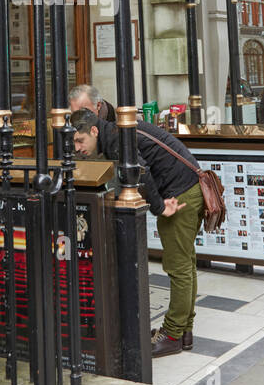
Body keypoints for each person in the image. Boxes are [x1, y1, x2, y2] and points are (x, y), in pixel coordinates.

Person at [71, 108, 202, 357]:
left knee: (179, 267)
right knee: (185, 263)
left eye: (80, 140)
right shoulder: (116, 132)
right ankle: (184, 331)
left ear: (95, 131)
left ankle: (172, 335)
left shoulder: (117, 138)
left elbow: (141, 170)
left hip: (180, 194)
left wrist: (160, 207)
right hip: (186, 187)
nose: (77, 148)